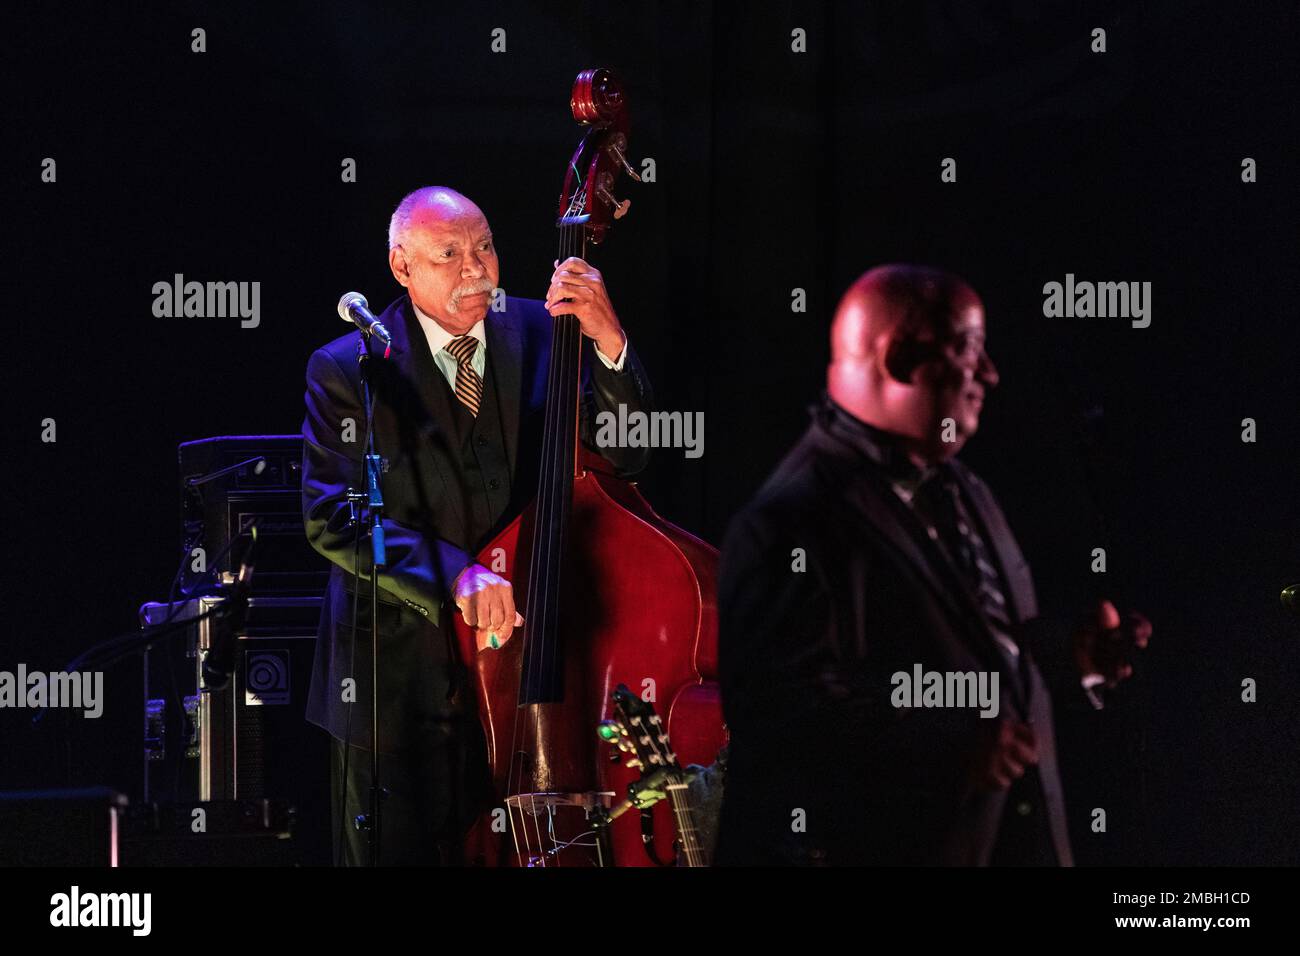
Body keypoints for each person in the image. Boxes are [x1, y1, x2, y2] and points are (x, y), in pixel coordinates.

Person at [714, 264, 1150, 866]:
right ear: (899, 358)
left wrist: (1067, 659)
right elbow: (783, 730)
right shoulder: (786, 525)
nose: (990, 374)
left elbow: (972, 658)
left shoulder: (964, 488)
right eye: (969, 349)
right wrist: (947, 749)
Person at [301, 186, 653, 865]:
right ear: (402, 266)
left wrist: (611, 344)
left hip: (530, 678)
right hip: (395, 690)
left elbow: (628, 457)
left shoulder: (551, 331)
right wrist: (454, 574)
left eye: (485, 247)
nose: (476, 270)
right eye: (449, 255)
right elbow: (333, 516)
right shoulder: (347, 368)